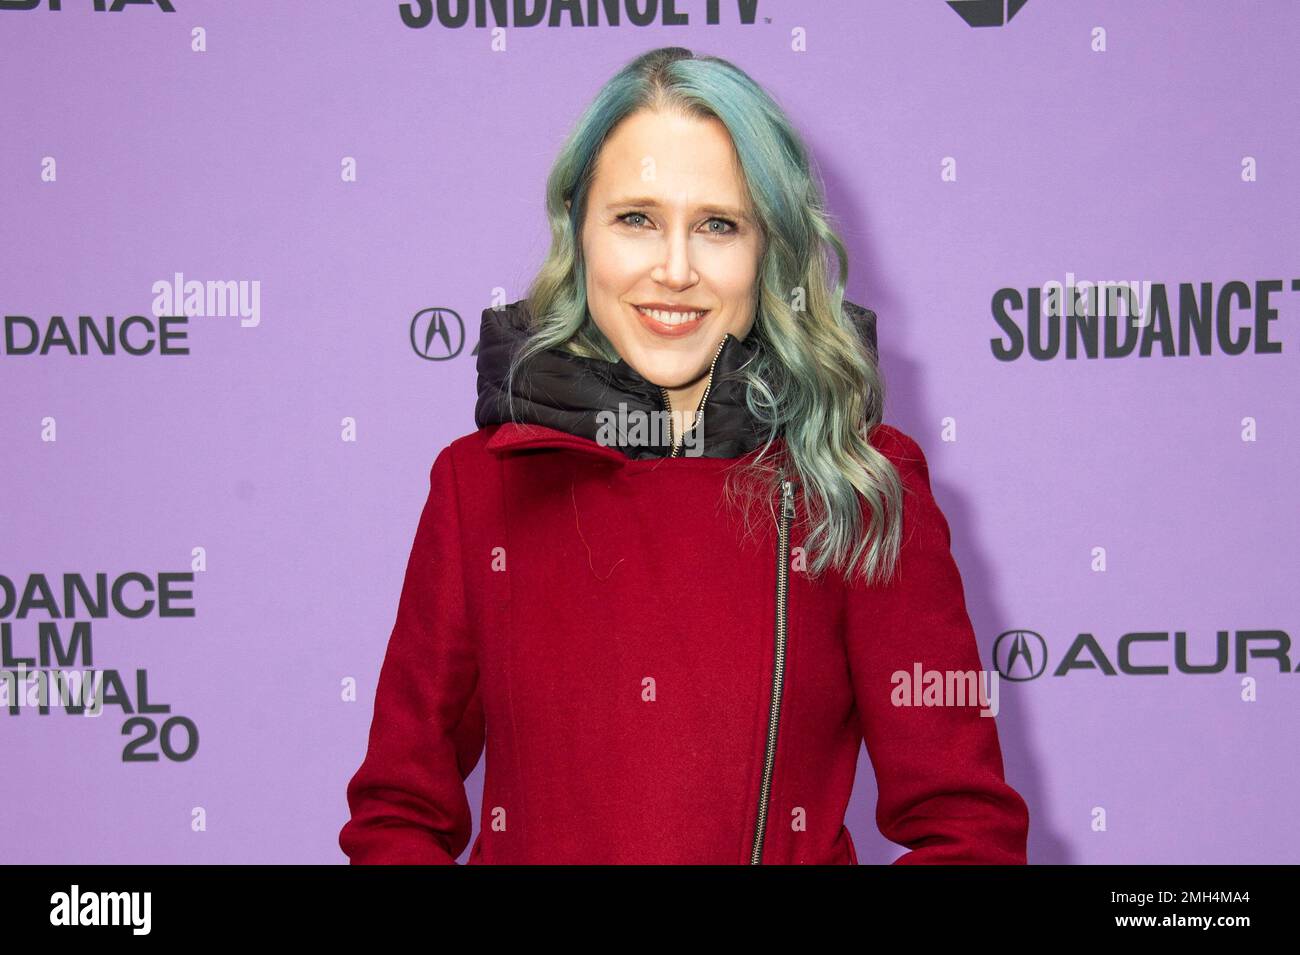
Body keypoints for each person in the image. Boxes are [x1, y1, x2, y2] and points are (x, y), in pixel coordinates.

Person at [338, 46, 1030, 865]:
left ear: (768, 249)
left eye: (717, 225)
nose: (674, 270)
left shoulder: (860, 479)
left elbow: (967, 829)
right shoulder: (479, 482)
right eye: (636, 218)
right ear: (580, 232)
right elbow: (397, 812)